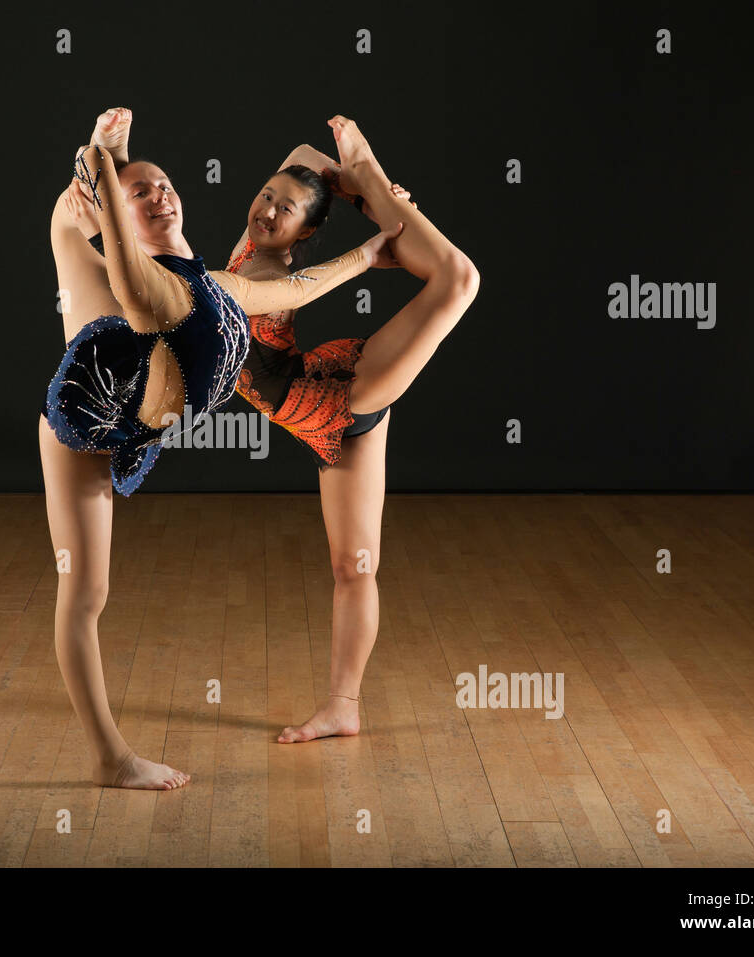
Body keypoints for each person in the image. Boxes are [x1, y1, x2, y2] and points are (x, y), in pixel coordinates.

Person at [39, 108, 402, 788]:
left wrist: (370, 253)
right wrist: (101, 154)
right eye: (140, 193)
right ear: (119, 218)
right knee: (86, 592)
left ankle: (92, 189)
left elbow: (292, 287)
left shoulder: (214, 286)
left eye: (165, 183)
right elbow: (117, 247)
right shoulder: (145, 285)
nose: (161, 193)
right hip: (86, 428)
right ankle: (112, 758)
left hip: (135, 379)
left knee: (76, 237)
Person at [223, 116, 480, 743]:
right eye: (265, 195)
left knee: (458, 282)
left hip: (343, 395)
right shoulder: (249, 248)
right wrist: (349, 185)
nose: (267, 209)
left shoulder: (273, 275)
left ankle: (381, 185)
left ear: (304, 233)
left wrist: (373, 196)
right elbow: (303, 154)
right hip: (319, 414)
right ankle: (343, 707)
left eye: (285, 210)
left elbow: (299, 290)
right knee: (354, 567)